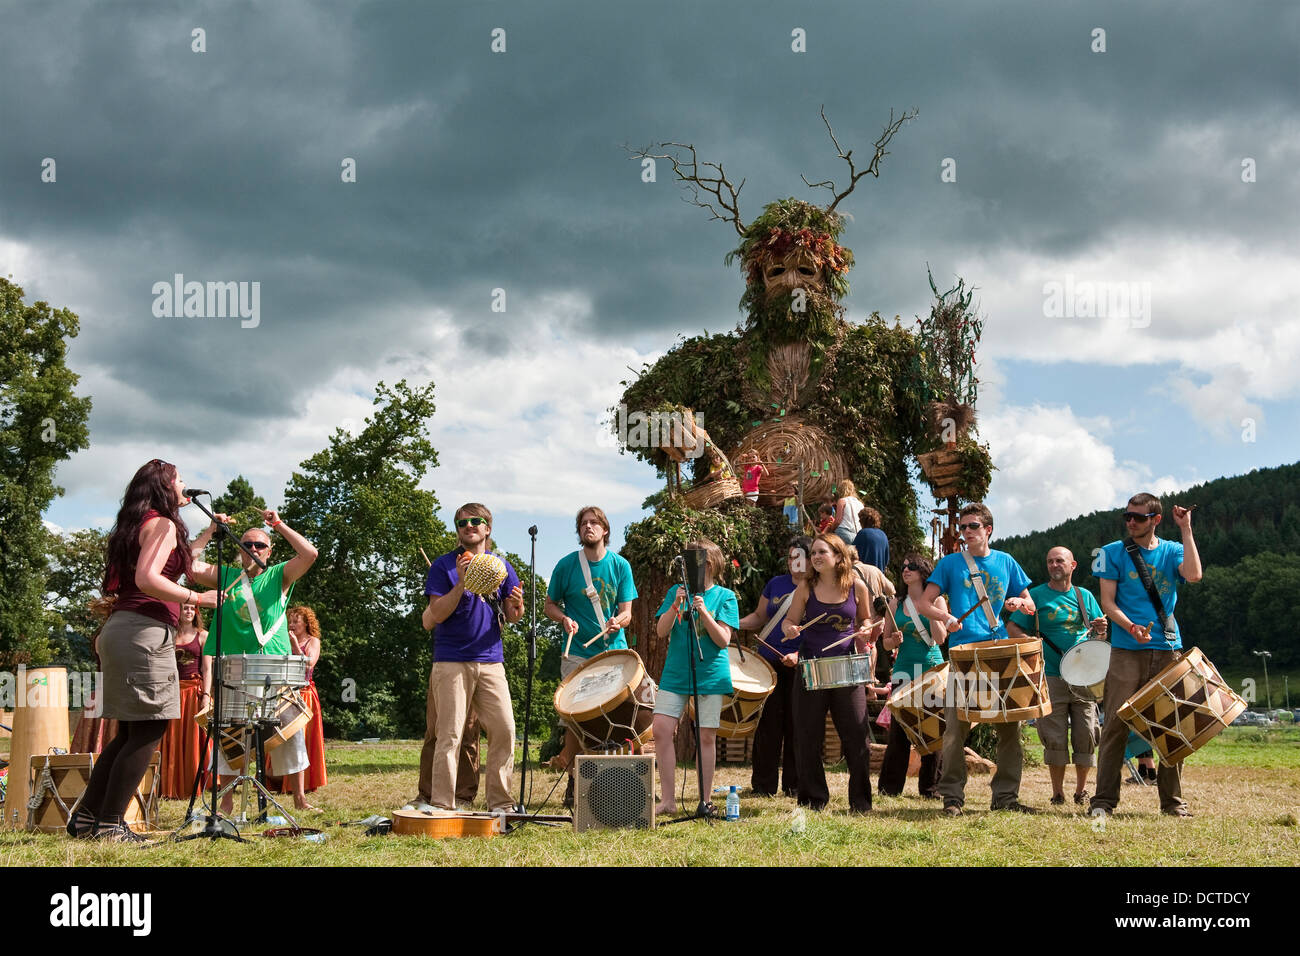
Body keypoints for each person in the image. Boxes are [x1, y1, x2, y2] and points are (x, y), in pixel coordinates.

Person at [69, 460, 219, 841]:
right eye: (180, 480)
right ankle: (109, 824)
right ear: (165, 487)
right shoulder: (164, 524)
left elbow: (182, 564)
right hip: (144, 632)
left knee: (130, 731)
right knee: (151, 726)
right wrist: (197, 597)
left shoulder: (142, 523)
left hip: (123, 630)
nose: (186, 486)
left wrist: (214, 541)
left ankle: (88, 818)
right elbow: (149, 578)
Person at [189, 508, 319, 815]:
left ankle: (299, 797)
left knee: (290, 729)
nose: (254, 549)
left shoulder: (279, 576)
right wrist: (210, 531)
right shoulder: (227, 577)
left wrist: (277, 524)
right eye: (247, 544)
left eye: (260, 545)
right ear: (239, 549)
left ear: (270, 551)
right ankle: (226, 799)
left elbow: (310, 553)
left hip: (275, 664)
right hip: (235, 665)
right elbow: (190, 566)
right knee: (230, 732)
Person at [914, 502, 1037, 816]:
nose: (966, 532)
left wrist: (1017, 602)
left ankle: (1006, 797)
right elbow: (925, 603)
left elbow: (1030, 604)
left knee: (1010, 727)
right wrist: (947, 616)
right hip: (964, 653)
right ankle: (952, 797)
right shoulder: (951, 563)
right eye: (963, 527)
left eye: (973, 527)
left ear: (988, 530)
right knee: (957, 727)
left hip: (999, 652)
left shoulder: (1006, 562)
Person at [1090, 493, 1201, 819]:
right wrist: (1130, 626)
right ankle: (1102, 802)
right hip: (1125, 650)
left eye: (1138, 517)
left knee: (1172, 726)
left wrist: (1187, 529)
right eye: (1127, 516)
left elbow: (1193, 575)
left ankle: (1173, 804)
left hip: (1168, 649)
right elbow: (1107, 602)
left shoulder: (1172, 550)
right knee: (1114, 725)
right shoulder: (1111, 552)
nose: (1131, 522)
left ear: (1155, 519)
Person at [422, 503, 525, 812]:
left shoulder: (502, 566)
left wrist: (517, 606)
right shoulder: (443, 566)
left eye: (476, 521)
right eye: (462, 522)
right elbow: (435, 614)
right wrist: (462, 583)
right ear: (458, 530)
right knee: (450, 735)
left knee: (505, 729)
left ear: (487, 528)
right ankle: (442, 804)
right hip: (451, 659)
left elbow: (512, 615)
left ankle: (501, 803)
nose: (469, 526)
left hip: (492, 660)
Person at [544, 505, 637, 806]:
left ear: (605, 530)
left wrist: (616, 622)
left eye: (594, 523)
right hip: (576, 653)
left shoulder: (620, 565)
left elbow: (627, 613)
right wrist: (563, 619)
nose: (588, 527)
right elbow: (549, 605)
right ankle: (574, 782)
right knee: (576, 718)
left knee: (615, 716)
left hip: (612, 651)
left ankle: (624, 781)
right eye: (583, 523)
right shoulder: (566, 565)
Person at [782, 533, 882, 813]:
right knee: (807, 735)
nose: (815, 557)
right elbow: (790, 621)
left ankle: (860, 803)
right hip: (811, 667)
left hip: (846, 667)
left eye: (821, 552)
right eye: (813, 552)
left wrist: (865, 627)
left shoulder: (856, 586)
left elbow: (866, 618)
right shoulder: (805, 587)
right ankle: (813, 799)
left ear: (838, 556)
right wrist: (790, 629)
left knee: (856, 735)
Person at [1007, 547, 1106, 807]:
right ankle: (1058, 792)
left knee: (1086, 731)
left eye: (1059, 561)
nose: (1054, 565)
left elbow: (1098, 635)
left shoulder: (1083, 596)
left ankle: (1082, 791)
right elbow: (1013, 626)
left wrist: (1101, 630)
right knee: (1054, 734)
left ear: (1073, 565)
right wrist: (1030, 643)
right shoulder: (1036, 596)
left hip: (1083, 675)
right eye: (1049, 561)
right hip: (1049, 675)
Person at [651, 538, 739, 816]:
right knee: (661, 729)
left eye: (691, 560)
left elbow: (723, 640)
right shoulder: (675, 592)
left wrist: (703, 611)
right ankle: (668, 800)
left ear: (707, 564)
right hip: (676, 673)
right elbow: (661, 631)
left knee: (706, 737)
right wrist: (676, 605)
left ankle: (705, 801)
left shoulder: (725, 596)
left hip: (710, 674)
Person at [737, 536, 812, 797]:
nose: (794, 562)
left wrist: (797, 655)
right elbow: (759, 617)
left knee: (797, 724)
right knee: (768, 725)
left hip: (800, 662)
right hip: (769, 663)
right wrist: (732, 622)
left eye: (799, 557)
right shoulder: (775, 584)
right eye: (790, 557)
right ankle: (763, 785)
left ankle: (794, 785)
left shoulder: (817, 587)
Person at [877, 552, 947, 798]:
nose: (906, 570)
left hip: (931, 671)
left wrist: (931, 614)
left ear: (923, 572)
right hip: (904, 671)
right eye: (904, 566)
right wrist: (892, 640)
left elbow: (940, 639)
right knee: (900, 730)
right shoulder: (895, 604)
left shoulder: (937, 602)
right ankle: (889, 788)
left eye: (912, 567)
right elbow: (885, 644)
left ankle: (931, 788)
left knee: (933, 730)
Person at [405, 624, 482, 813]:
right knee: (435, 730)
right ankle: (426, 794)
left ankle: (463, 795)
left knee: (468, 731)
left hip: (478, 659)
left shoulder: (489, 594)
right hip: (446, 658)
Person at [158, 602, 210, 799]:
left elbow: (207, 669)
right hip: (171, 691)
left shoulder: (203, 636)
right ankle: (169, 784)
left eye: (191, 608)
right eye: (184, 608)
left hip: (193, 693)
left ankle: (193, 783)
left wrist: (206, 695)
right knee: (170, 737)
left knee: (193, 739)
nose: (188, 611)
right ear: (178, 611)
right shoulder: (169, 635)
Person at [279, 605, 326, 809]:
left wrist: (295, 646)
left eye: (296, 620)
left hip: (305, 693)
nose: (292, 624)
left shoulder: (313, 641)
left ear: (306, 623)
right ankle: (283, 784)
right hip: (286, 693)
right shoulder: (283, 641)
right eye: (290, 620)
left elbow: (309, 664)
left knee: (304, 741)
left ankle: (305, 785)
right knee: (287, 740)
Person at [830, 479, 865, 546]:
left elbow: (838, 521)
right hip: (858, 534)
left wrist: (831, 529)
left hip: (843, 532)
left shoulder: (842, 501)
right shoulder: (860, 503)